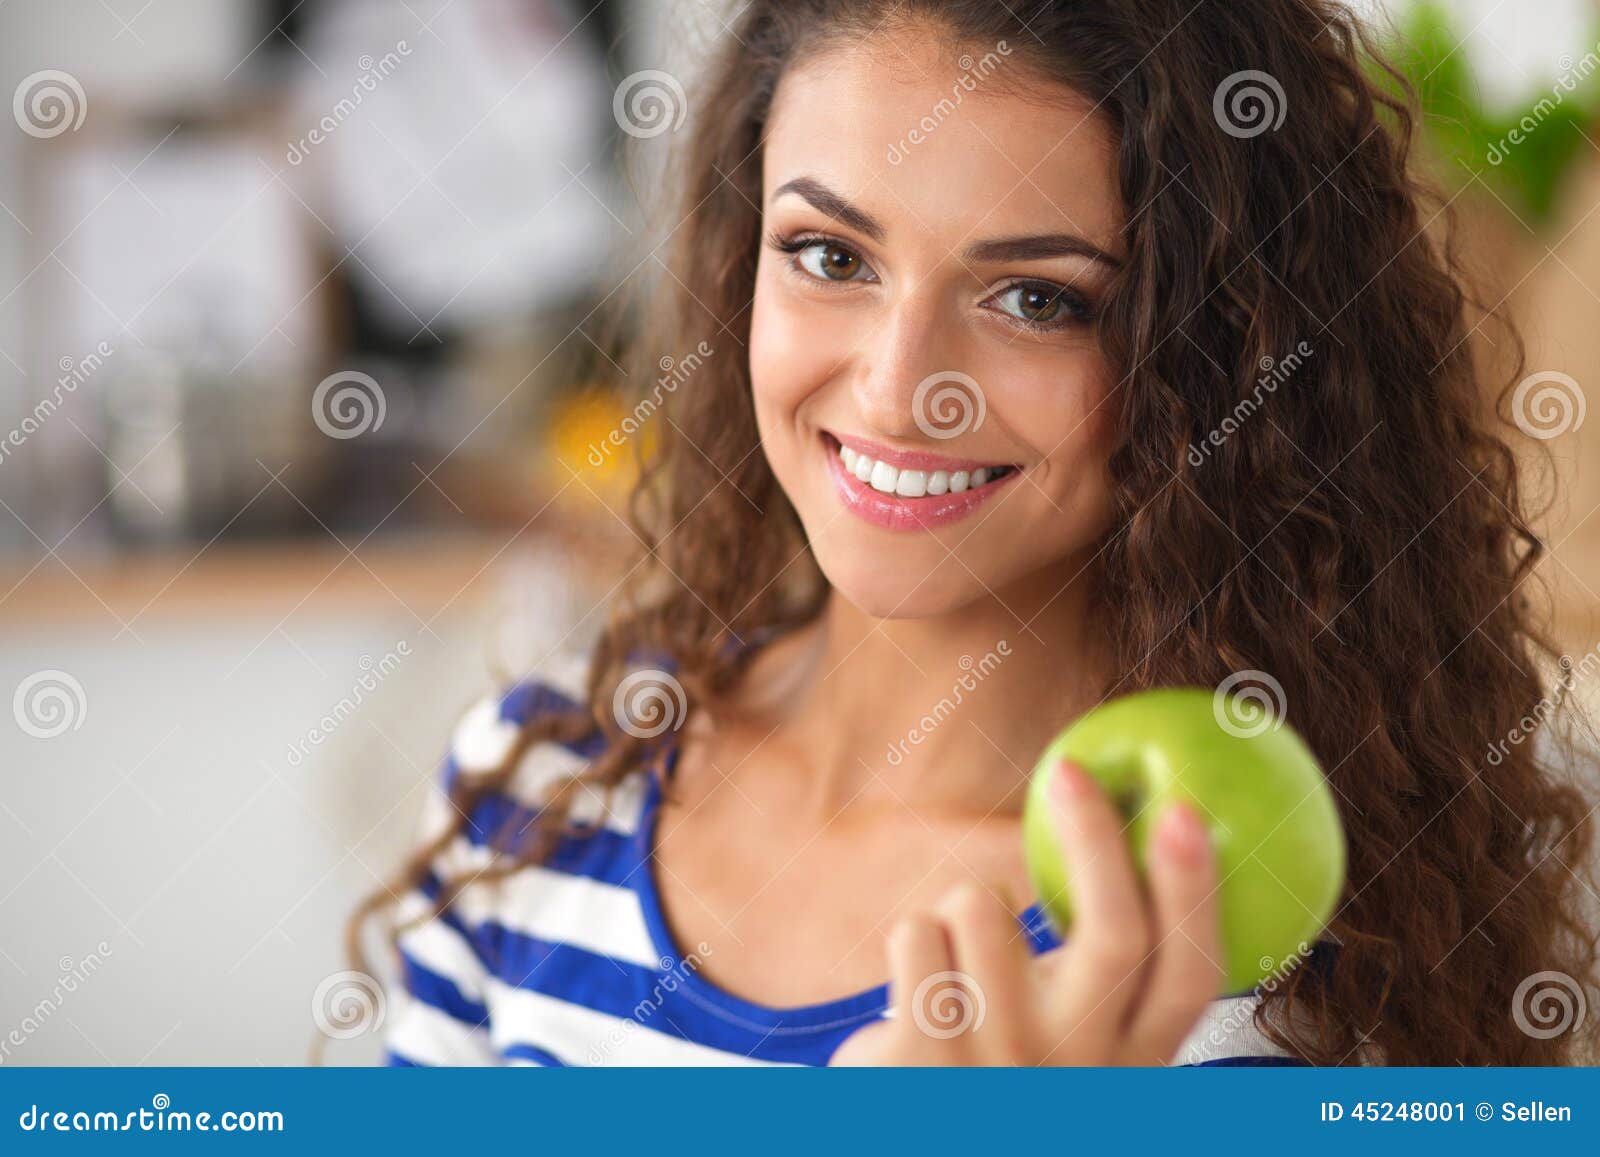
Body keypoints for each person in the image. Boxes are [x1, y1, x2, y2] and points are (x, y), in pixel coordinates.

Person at [352, 0, 1598, 1067]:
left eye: (1036, 297)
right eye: (829, 254)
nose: (902, 390)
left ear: (1219, 359)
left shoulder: (1237, 957)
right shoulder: (535, 777)